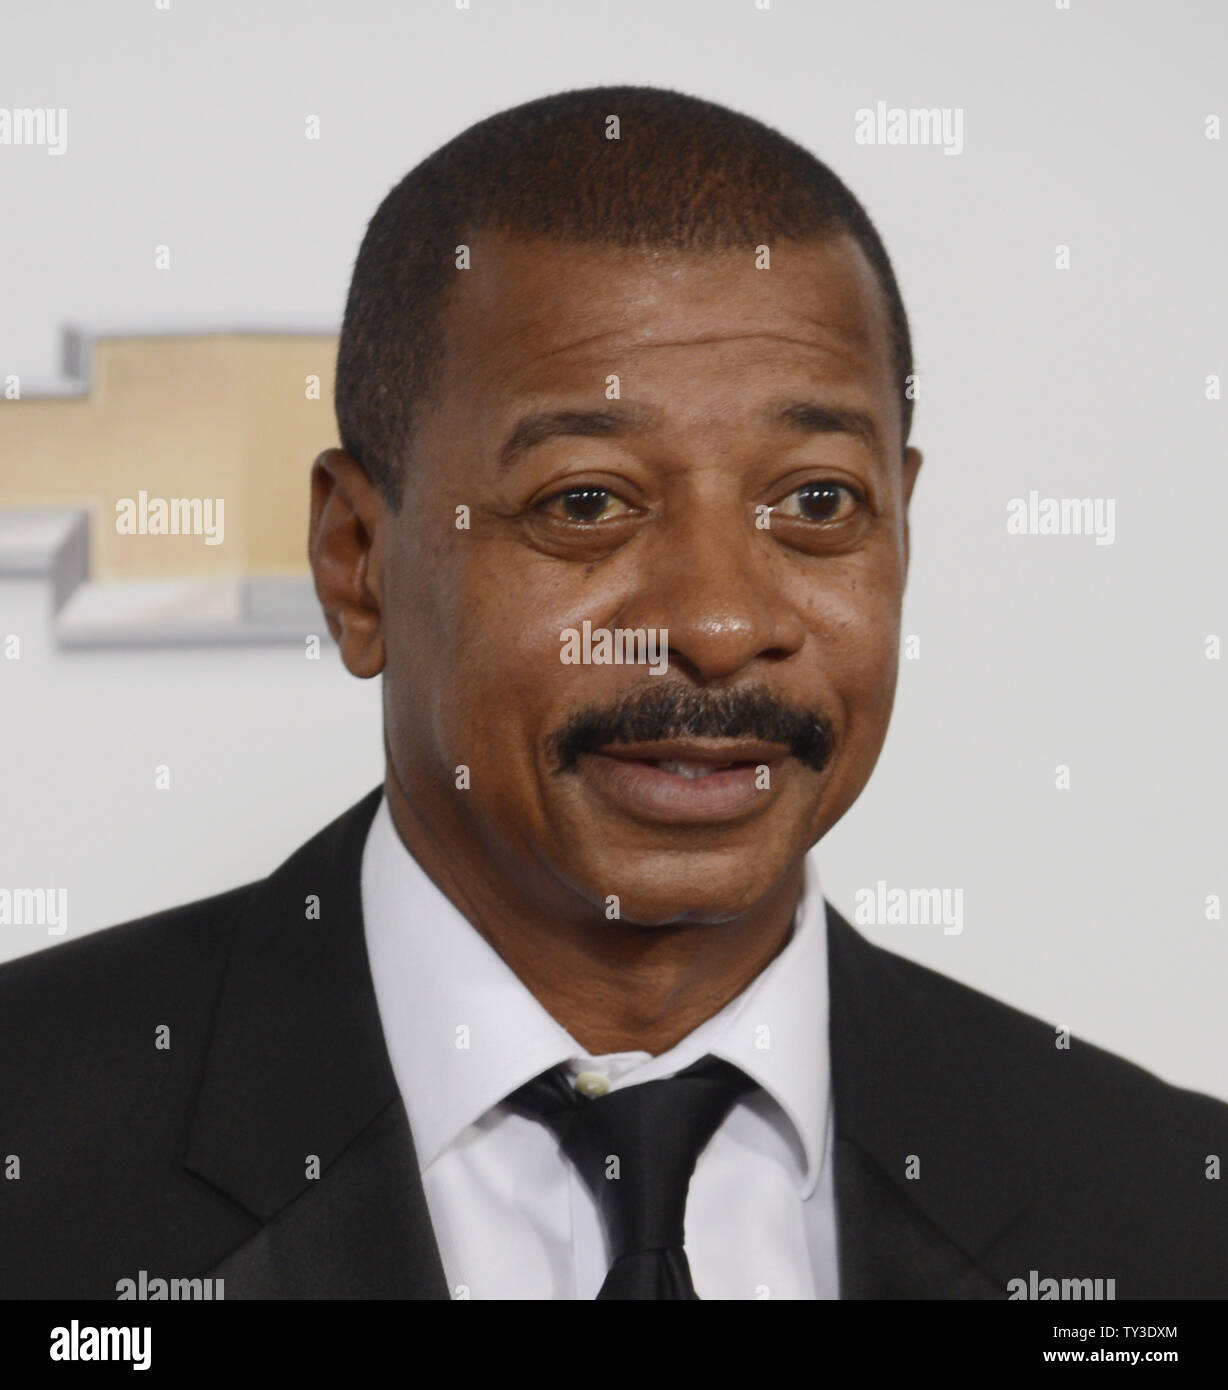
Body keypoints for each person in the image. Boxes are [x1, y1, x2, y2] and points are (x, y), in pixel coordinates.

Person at [2, 86, 1224, 1301]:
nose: (719, 624)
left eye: (814, 503)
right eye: (586, 502)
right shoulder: (36, 1147)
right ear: (358, 563)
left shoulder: (1166, 1209)